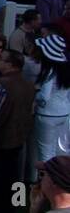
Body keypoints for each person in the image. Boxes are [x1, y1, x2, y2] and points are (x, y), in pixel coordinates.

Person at [0, 50, 37, 213]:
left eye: (2, 59)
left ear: (10, 65)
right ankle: (17, 204)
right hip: (19, 136)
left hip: (1, 136)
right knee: (15, 173)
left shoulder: (3, 84)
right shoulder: (29, 86)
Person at [33, 34, 70, 169]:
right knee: (57, 151)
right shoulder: (65, 69)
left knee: (45, 154)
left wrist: (35, 95)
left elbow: (44, 96)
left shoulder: (50, 70)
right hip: (64, 114)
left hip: (47, 115)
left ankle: (44, 185)